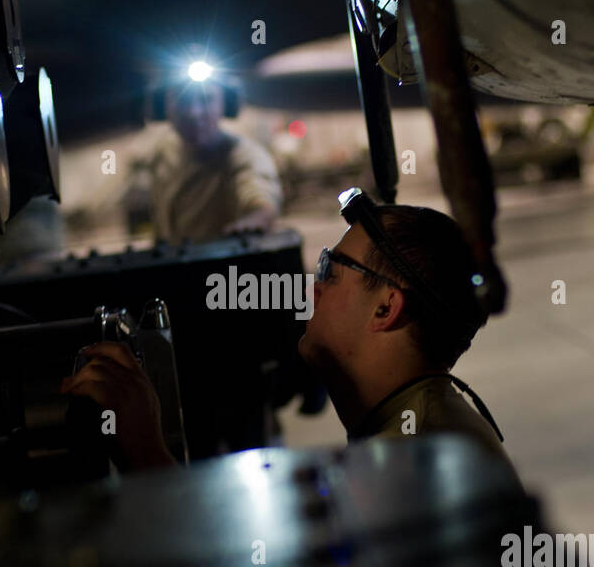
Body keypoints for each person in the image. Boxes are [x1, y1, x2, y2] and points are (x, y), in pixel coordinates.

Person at [61, 187, 517, 480]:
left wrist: (143, 449)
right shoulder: (420, 430)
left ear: (385, 307)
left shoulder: (417, 460)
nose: (312, 287)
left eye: (330, 270)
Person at [125, 71, 282, 242]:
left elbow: (260, 197)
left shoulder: (245, 155)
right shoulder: (161, 152)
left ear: (226, 103)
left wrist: (256, 219)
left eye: (207, 99)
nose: (194, 112)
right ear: (163, 105)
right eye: (182, 100)